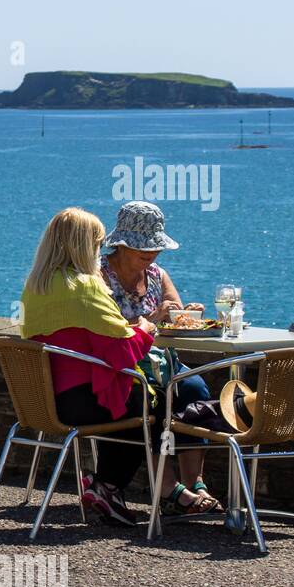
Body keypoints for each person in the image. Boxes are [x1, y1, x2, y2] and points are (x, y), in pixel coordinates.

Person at [20, 207, 217, 527]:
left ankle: (145, 490)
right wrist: (149, 328)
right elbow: (123, 349)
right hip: (79, 401)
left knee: (145, 393)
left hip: (44, 399)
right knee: (144, 400)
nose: (100, 251)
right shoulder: (85, 287)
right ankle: (110, 487)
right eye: (97, 244)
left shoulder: (38, 286)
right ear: (82, 246)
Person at [100, 201, 219, 515]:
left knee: (196, 390)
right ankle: (169, 490)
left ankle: (195, 483)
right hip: (126, 363)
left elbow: (173, 318)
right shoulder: (100, 277)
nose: (151, 253)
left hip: (161, 361)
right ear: (121, 244)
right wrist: (155, 315)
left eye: (155, 247)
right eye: (143, 248)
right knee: (153, 399)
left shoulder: (156, 274)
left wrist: (188, 314)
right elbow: (110, 331)